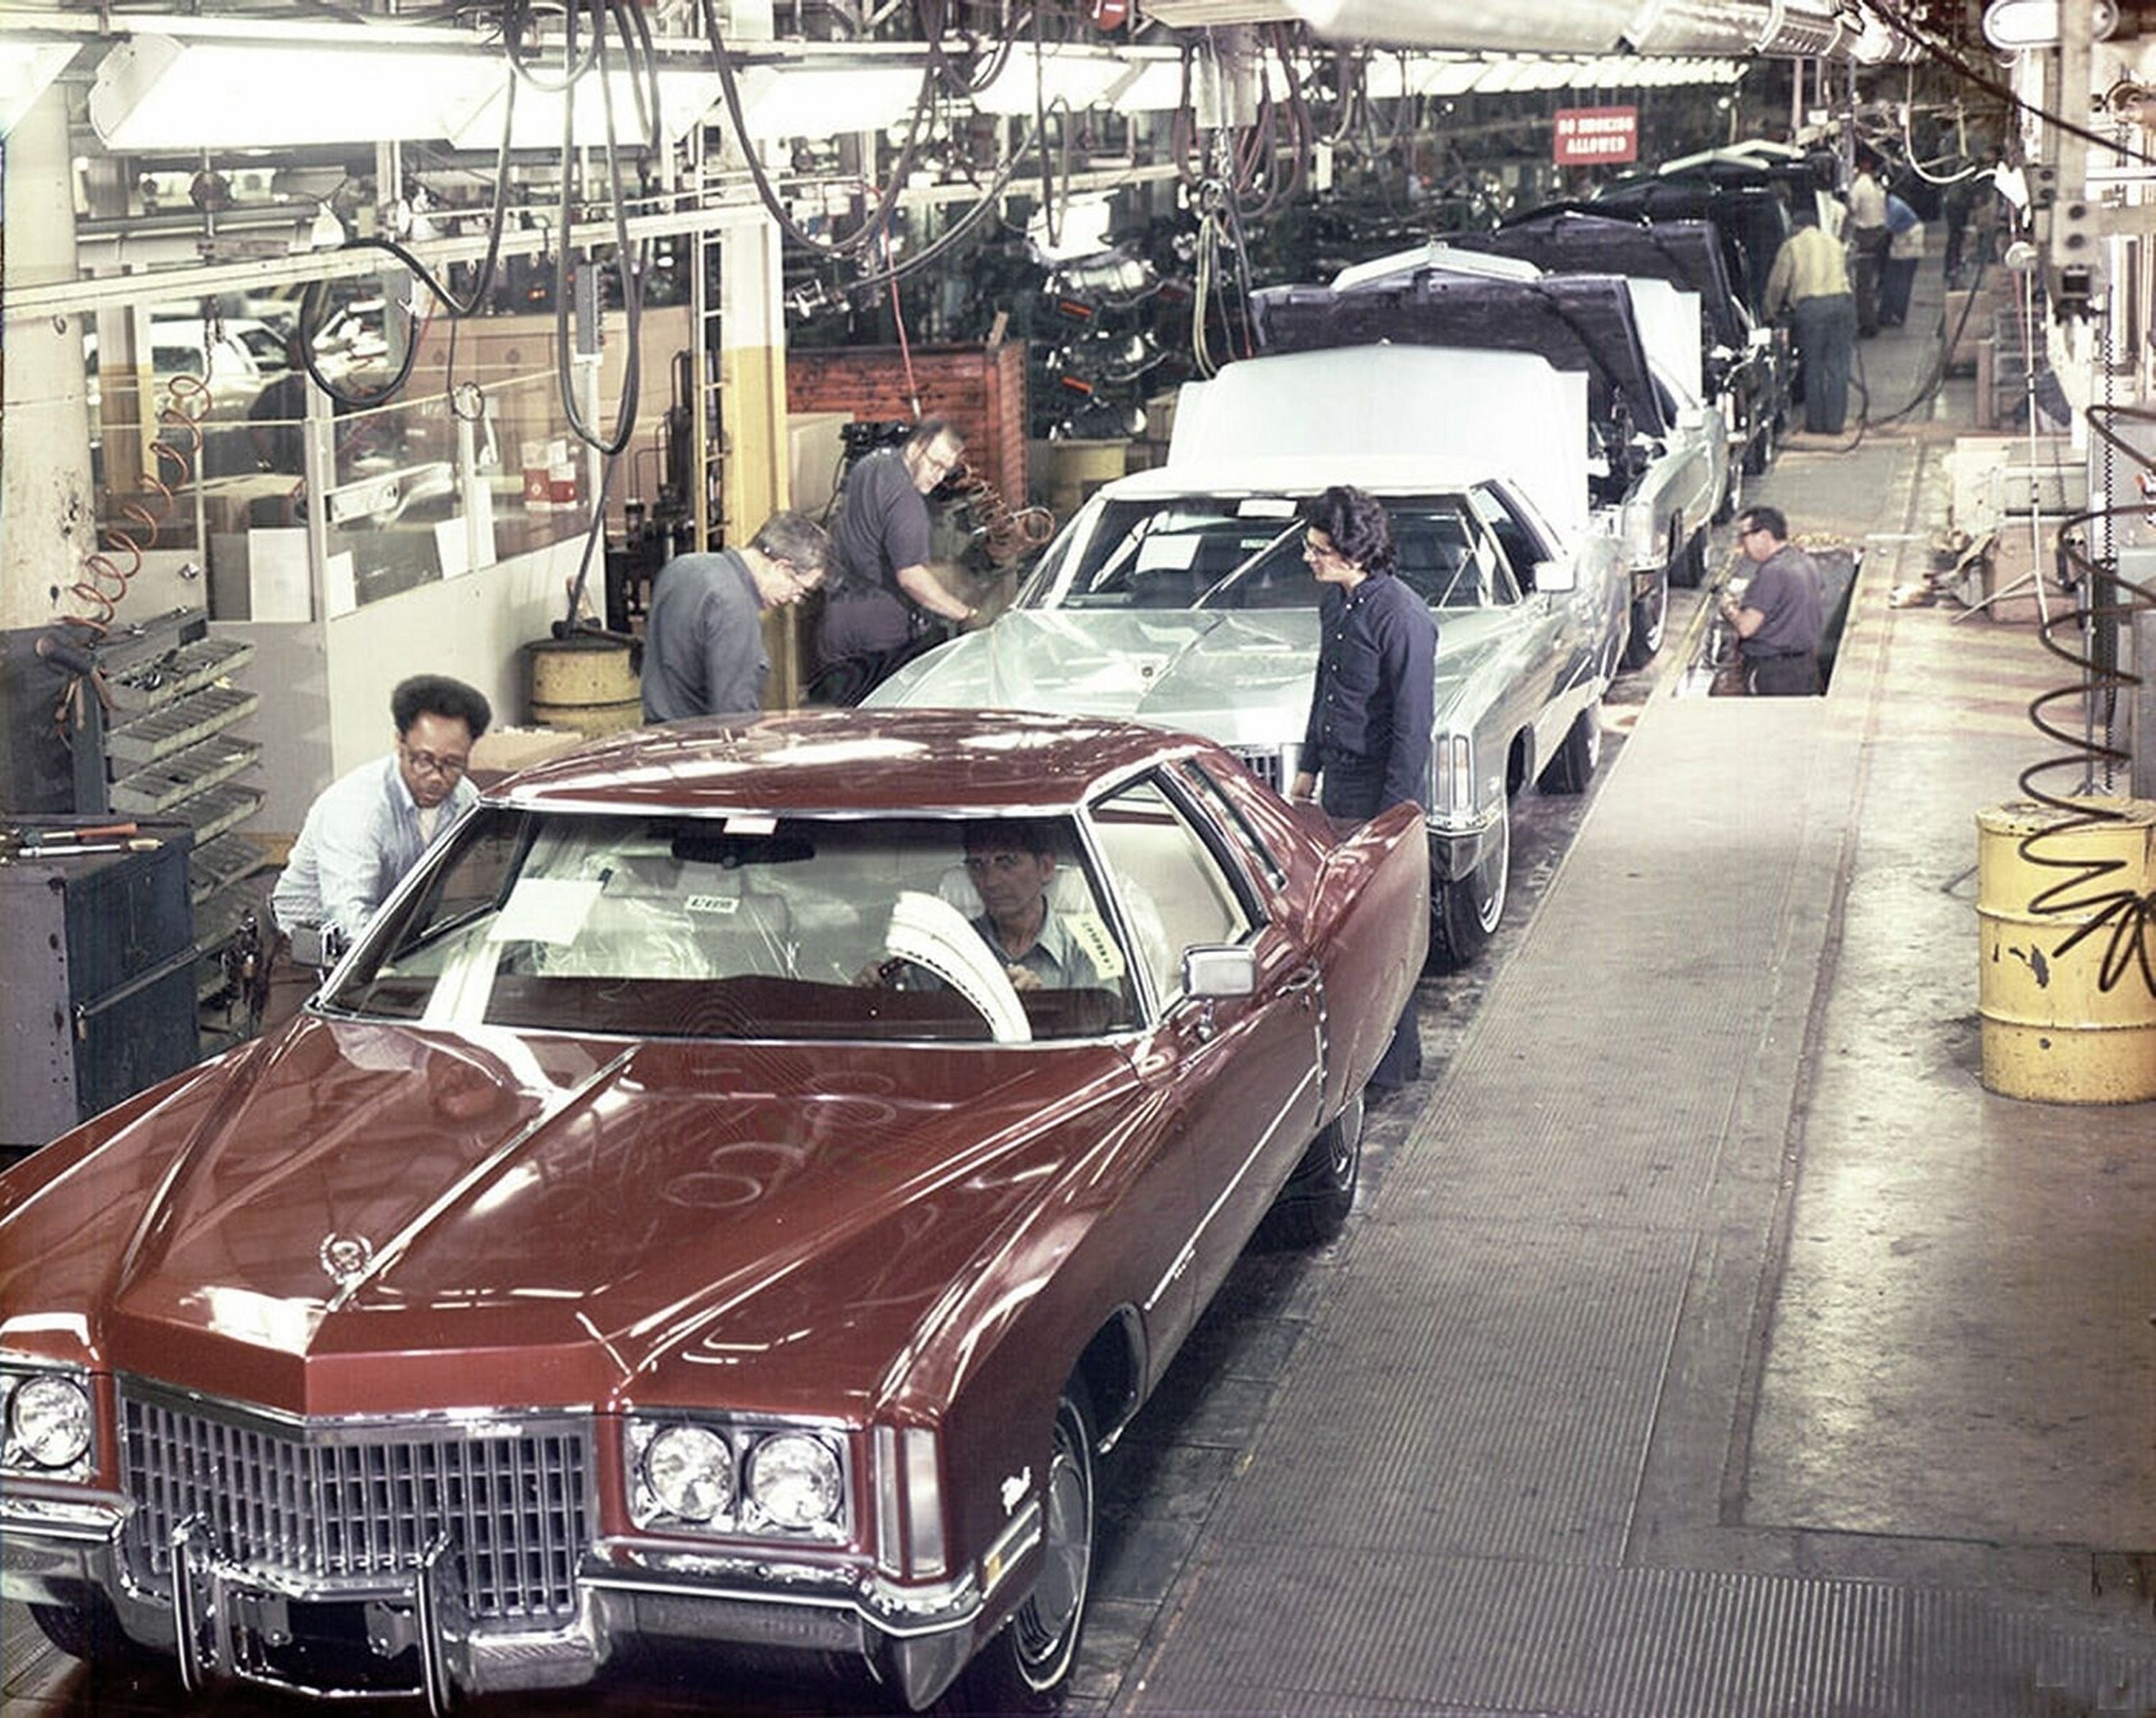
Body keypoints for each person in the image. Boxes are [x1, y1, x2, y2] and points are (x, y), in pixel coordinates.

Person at [1287, 486, 1437, 1093]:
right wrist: (1307, 767)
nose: (1309, 558)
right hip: (1341, 789)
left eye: (1319, 549)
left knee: (1382, 930)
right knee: (1348, 934)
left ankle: (1392, 1066)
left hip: (1381, 792)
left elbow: (1412, 725)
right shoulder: (1336, 606)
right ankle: (1372, 1060)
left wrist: (1393, 818)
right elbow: (1327, 690)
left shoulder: (1401, 615)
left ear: (1354, 552)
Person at [272, 674, 492, 959]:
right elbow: (348, 917)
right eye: (424, 760)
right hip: (311, 951)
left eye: (452, 764)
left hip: (397, 939)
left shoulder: (463, 797)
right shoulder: (356, 808)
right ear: (400, 742)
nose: (437, 778)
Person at [816, 417, 978, 694]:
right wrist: (965, 613)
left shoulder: (870, 465)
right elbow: (911, 578)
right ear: (915, 448)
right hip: (880, 639)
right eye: (935, 464)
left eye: (946, 470)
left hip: (837, 625)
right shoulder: (907, 502)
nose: (938, 476)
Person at [641, 511, 833, 721]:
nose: (796, 600)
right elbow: (735, 713)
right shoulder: (735, 606)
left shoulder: (681, 567)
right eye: (800, 589)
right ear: (782, 567)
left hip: (658, 736)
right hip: (700, 745)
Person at [1764, 205, 1858, 435]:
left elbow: (1778, 284)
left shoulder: (1792, 246)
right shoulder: (1835, 244)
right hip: (1843, 304)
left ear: (1797, 228)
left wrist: (1770, 312)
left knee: (1814, 367)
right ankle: (1835, 425)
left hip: (1812, 309)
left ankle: (1816, 425)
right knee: (1839, 367)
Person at [1719, 506, 1825, 697]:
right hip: (1806, 667)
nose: (1741, 544)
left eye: (1744, 536)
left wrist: (1729, 608)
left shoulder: (1773, 572)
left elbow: (1746, 627)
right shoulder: (1806, 562)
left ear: (1765, 536)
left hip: (1774, 674)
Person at [1846, 149, 1890, 337]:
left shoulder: (1860, 186)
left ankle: (1868, 325)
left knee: (1863, 285)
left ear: (1864, 165)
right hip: (1881, 234)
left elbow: (1851, 208)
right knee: (1873, 282)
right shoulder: (1875, 184)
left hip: (1866, 236)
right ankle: (1873, 319)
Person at [1879, 191, 1925, 328]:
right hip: (1901, 238)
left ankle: (1898, 316)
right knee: (1892, 278)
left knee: (1903, 281)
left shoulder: (1895, 207)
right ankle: (1886, 314)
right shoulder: (1888, 204)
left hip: (1911, 239)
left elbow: (1885, 229)